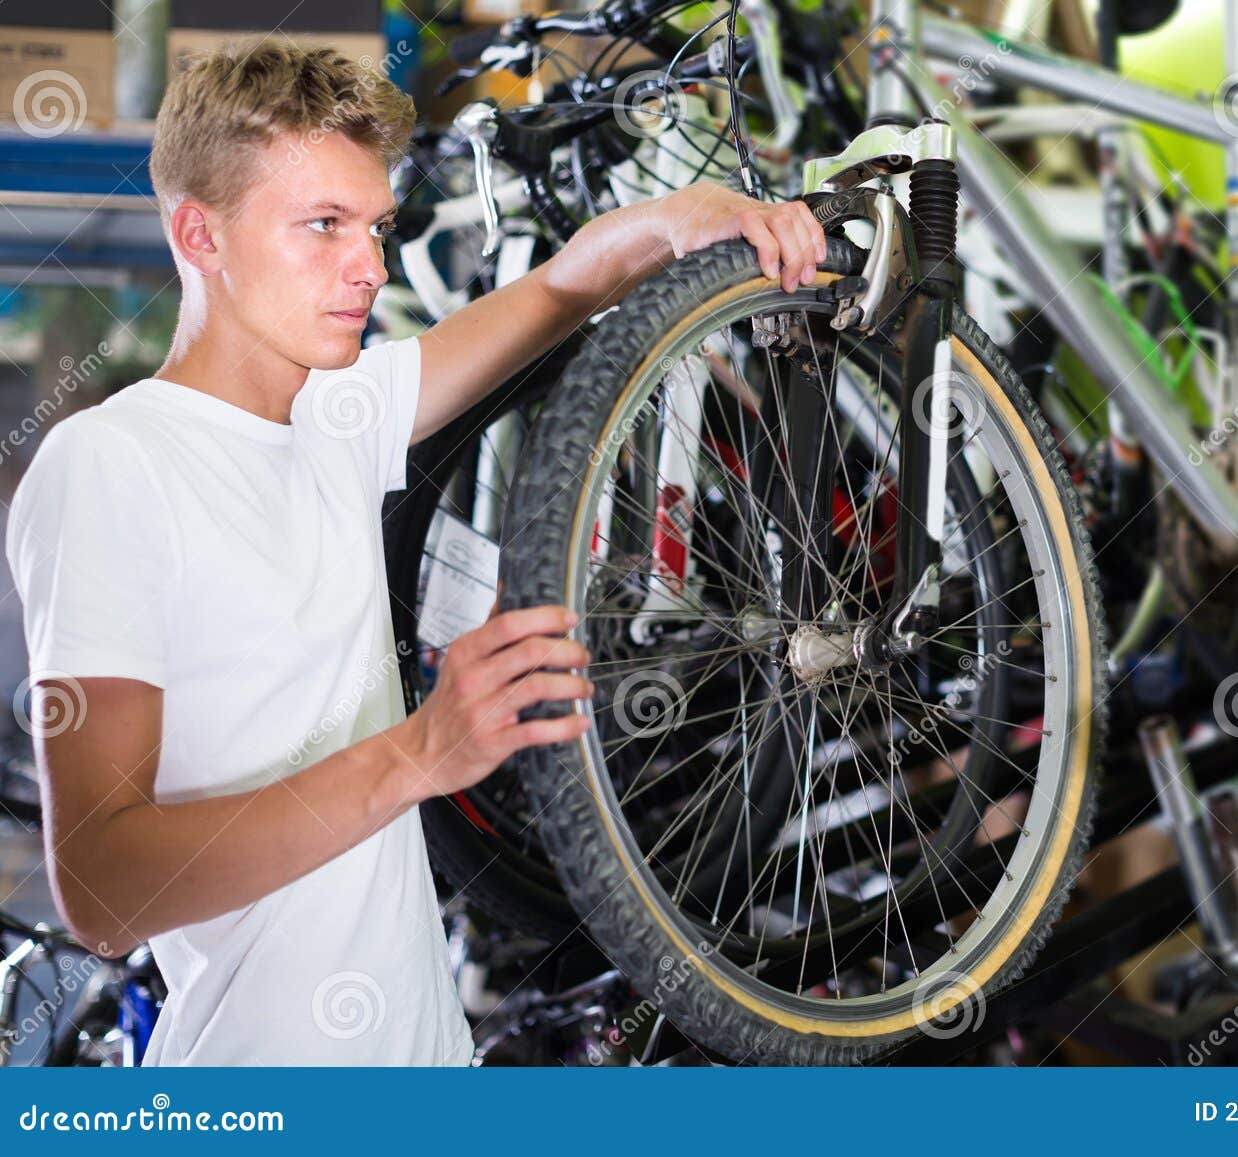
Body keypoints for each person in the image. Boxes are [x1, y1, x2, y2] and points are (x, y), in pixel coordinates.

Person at [3, 40, 826, 1065]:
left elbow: (562, 291)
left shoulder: (335, 420)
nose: (371, 266)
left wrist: (688, 215)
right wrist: (421, 752)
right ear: (197, 234)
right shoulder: (112, 464)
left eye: (375, 227)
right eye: (322, 227)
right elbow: (102, 890)